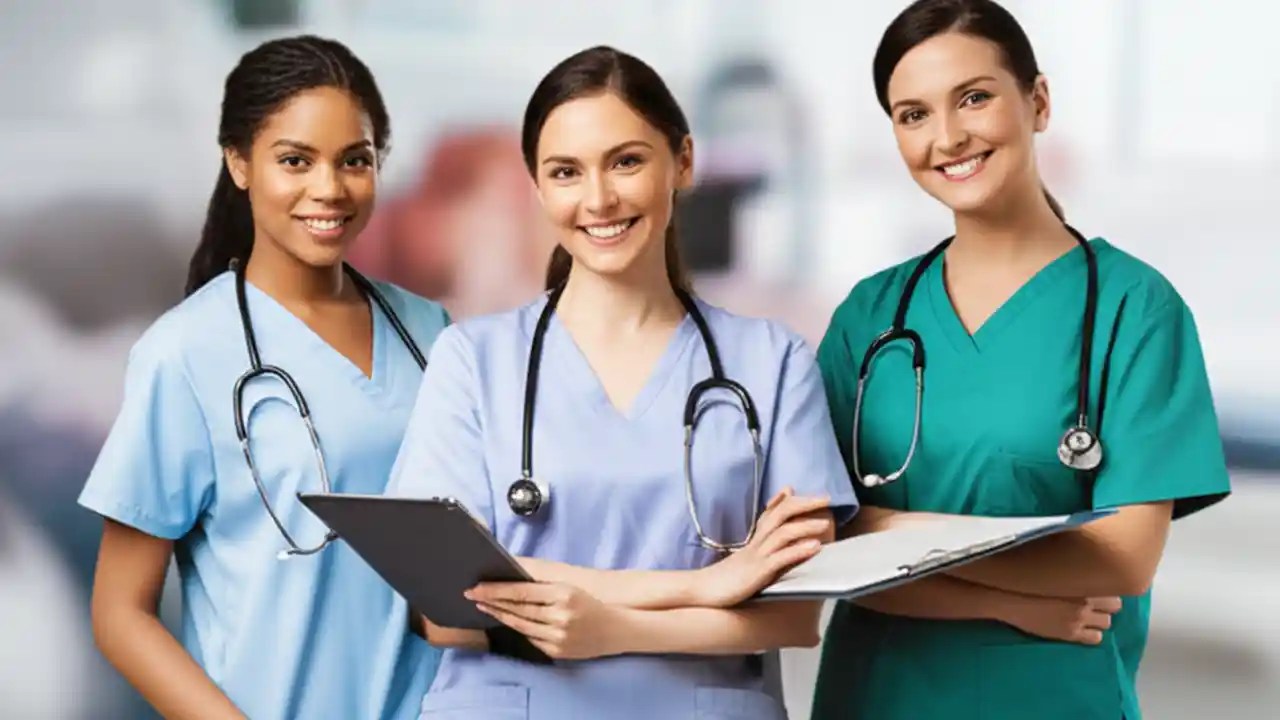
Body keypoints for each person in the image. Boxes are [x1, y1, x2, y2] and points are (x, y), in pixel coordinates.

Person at [388, 45, 858, 719]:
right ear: (539, 186)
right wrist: (716, 585)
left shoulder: (773, 361)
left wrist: (612, 627)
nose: (599, 198)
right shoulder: (471, 359)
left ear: (684, 162)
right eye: (566, 172)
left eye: (627, 161)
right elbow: (446, 608)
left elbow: (793, 615)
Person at [810, 2, 1231, 719]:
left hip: (1055, 696)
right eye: (913, 115)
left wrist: (893, 530)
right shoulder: (872, 316)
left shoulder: (1136, 309)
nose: (947, 137)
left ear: (1037, 101)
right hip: (876, 697)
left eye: (974, 97)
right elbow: (816, 545)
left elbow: (1120, 559)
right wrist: (1014, 600)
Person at [78, 35, 449, 720]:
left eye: (355, 160)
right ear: (239, 162)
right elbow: (120, 614)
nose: (329, 189)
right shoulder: (184, 354)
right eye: (295, 161)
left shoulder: (431, 333)